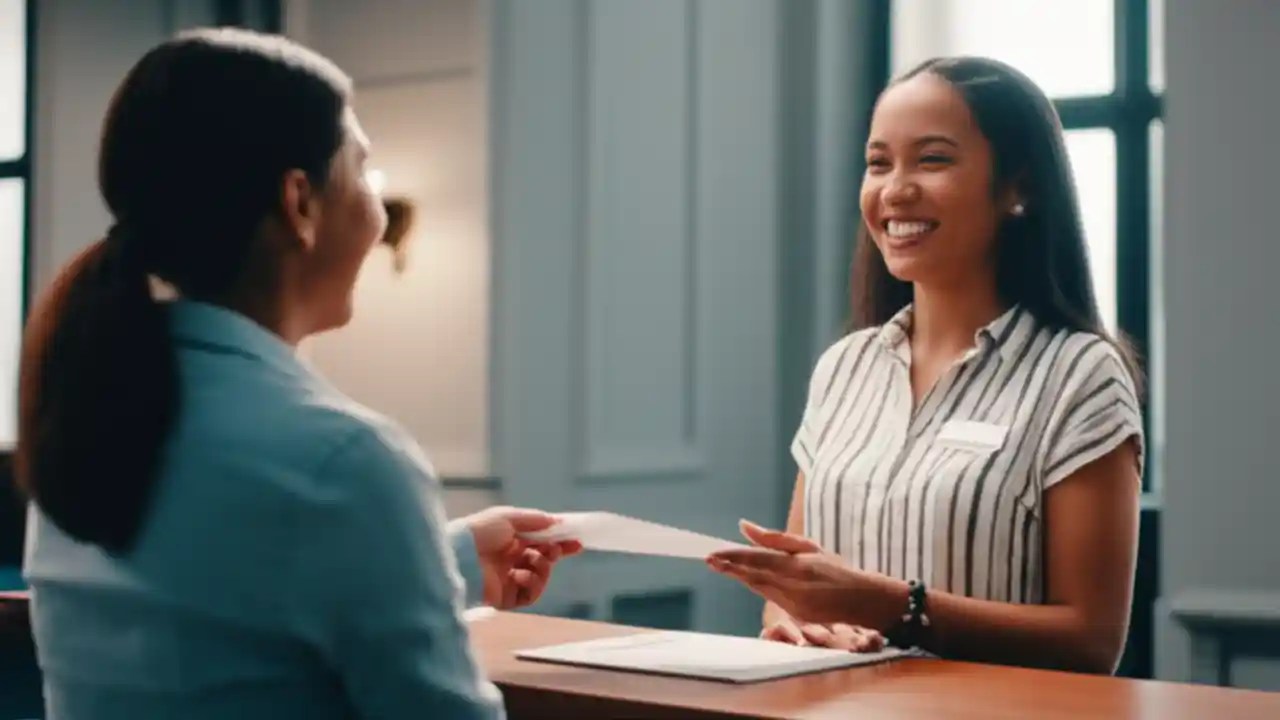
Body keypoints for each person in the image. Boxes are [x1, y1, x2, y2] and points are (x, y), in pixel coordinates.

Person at [16, 28, 577, 718]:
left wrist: (442, 558)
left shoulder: (89, 423)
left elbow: (218, 600)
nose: (379, 207)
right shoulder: (346, 460)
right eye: (364, 170)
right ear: (300, 203)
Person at [708, 56, 1144, 675]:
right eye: (879, 162)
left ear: (1018, 188)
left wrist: (894, 607)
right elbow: (793, 601)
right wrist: (793, 624)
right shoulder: (844, 368)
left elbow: (1091, 641)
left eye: (932, 159)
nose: (894, 190)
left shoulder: (1080, 375)